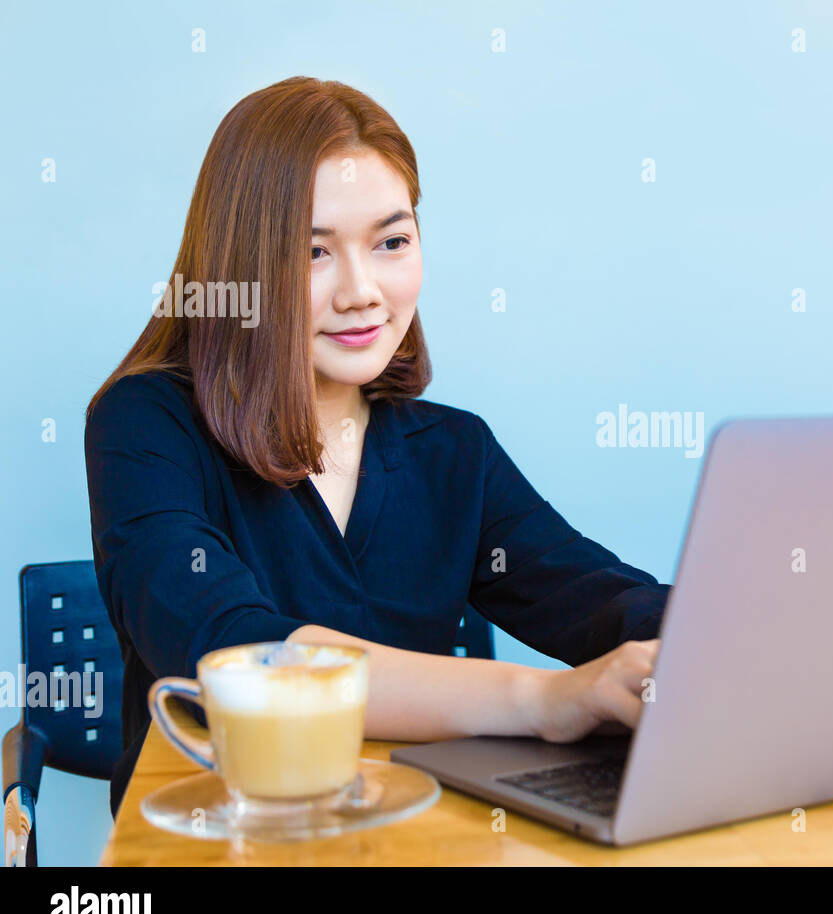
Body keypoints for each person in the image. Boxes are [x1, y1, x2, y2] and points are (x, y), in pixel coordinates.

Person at [84, 77, 669, 818]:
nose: (363, 291)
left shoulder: (451, 449)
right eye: (313, 253)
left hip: (405, 832)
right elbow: (234, 653)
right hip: (225, 838)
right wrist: (544, 697)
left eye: (392, 242)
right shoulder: (143, 423)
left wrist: (711, 644)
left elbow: (601, 599)